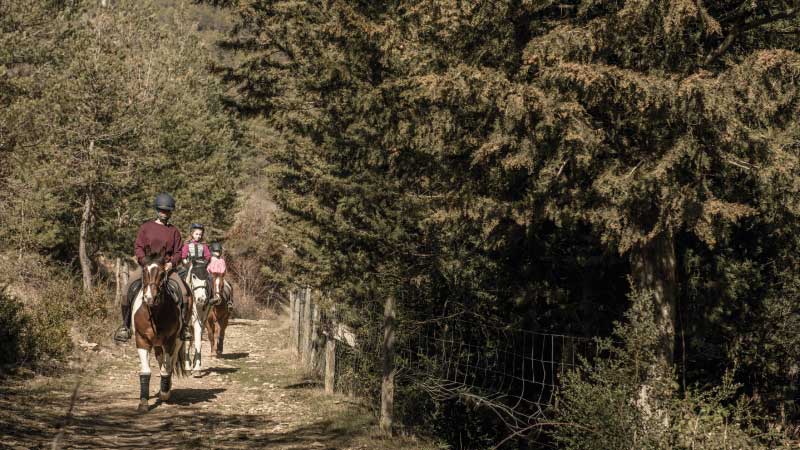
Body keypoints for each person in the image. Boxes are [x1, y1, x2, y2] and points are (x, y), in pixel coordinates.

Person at [113, 193, 193, 342]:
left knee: (183, 292)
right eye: (162, 210)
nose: (164, 213)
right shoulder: (146, 227)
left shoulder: (174, 231)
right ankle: (125, 326)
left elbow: (179, 252)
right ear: (157, 210)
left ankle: (185, 327)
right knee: (126, 290)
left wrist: (171, 263)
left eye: (167, 211)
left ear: (170, 212)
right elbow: (138, 247)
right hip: (147, 267)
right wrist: (144, 262)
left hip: (166, 268)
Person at [207, 241, 232, 309]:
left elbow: (224, 268)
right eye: (215, 251)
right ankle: (208, 299)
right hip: (212, 277)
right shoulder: (210, 259)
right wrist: (211, 273)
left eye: (218, 251)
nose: (217, 253)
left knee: (228, 286)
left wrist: (222, 274)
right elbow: (208, 268)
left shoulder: (222, 260)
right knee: (207, 286)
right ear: (212, 251)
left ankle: (229, 302)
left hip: (220, 277)